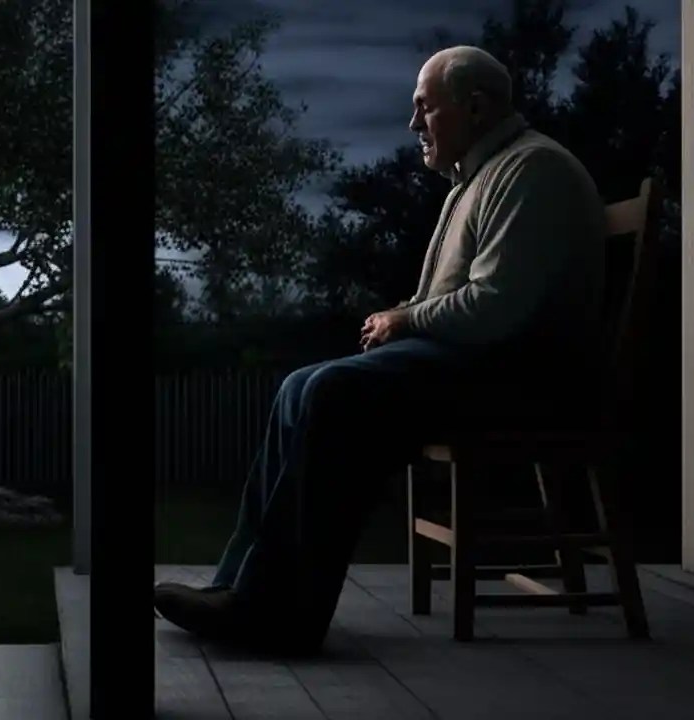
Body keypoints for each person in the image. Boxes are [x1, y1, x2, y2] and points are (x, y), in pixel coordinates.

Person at [152, 45, 608, 655]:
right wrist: (405, 318)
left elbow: (496, 309)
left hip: (519, 380)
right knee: (300, 384)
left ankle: (278, 613)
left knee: (336, 391)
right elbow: (457, 305)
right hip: (475, 367)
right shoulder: (477, 180)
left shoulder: (531, 171)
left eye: (424, 107)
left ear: (473, 108)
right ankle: (240, 585)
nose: (413, 124)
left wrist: (405, 318)